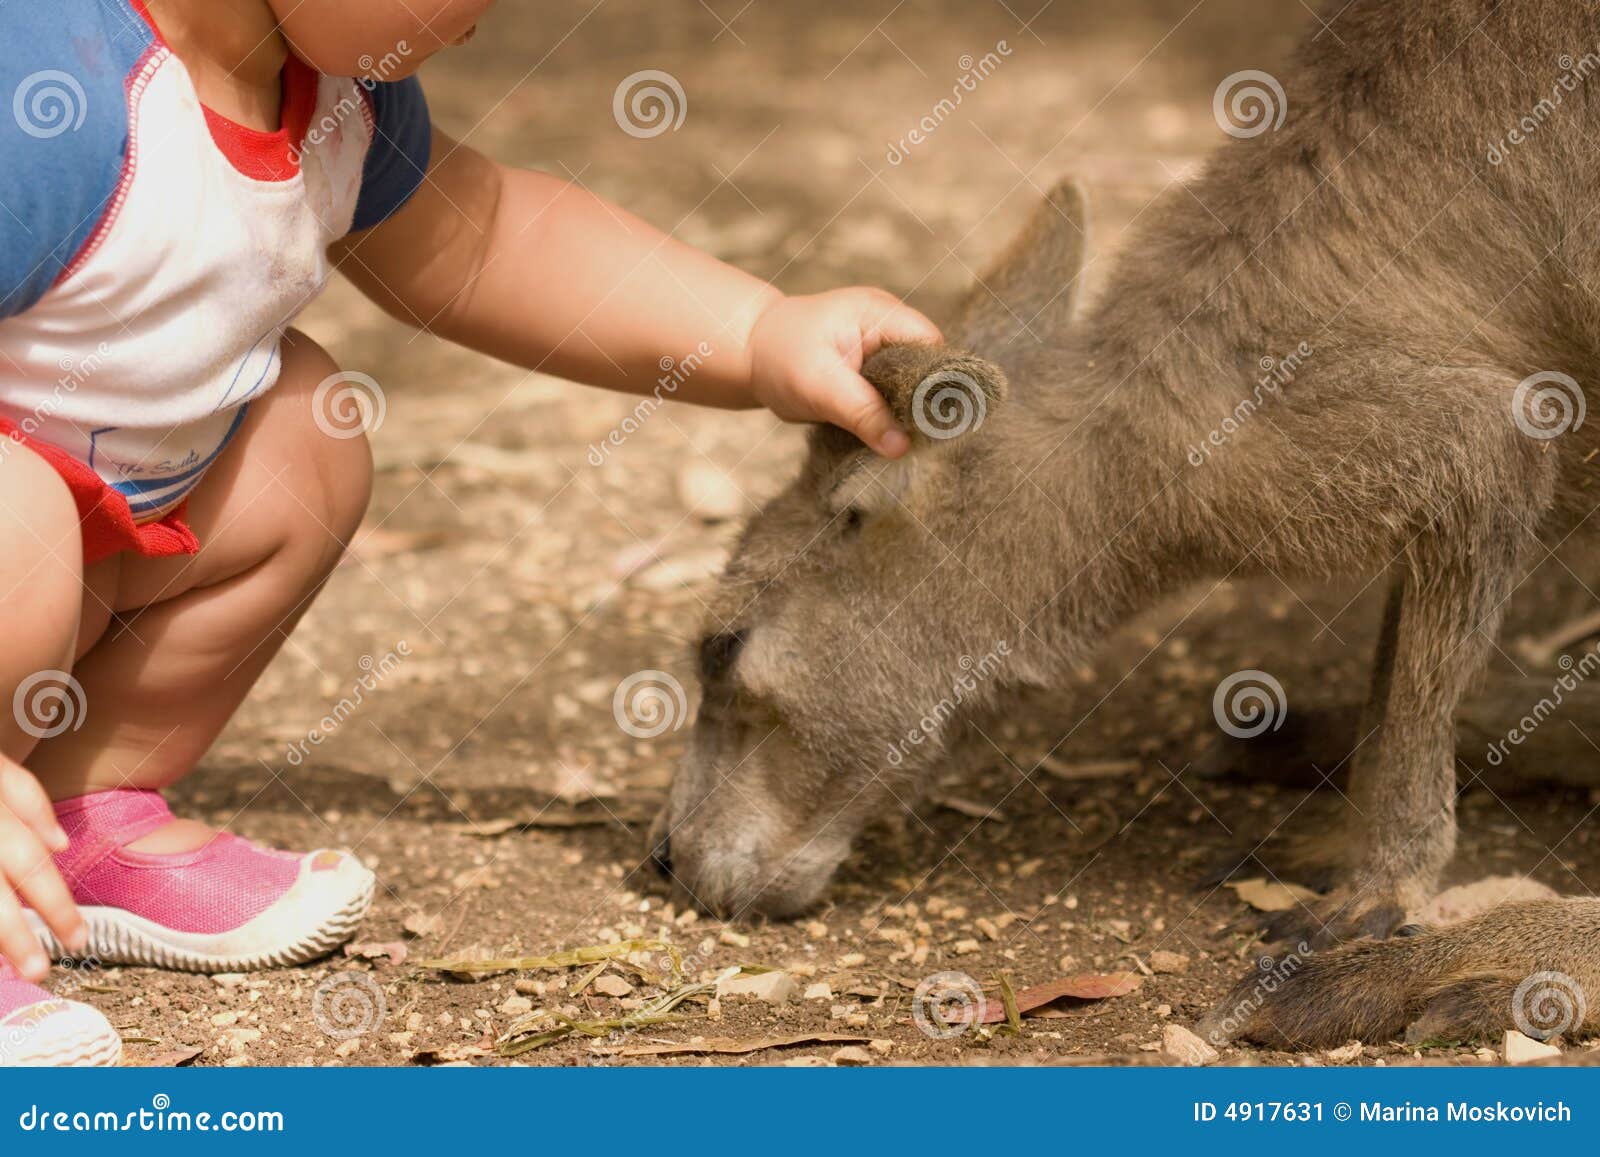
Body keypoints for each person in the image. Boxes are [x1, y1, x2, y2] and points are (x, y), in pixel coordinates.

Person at [0, 0, 940, 1065]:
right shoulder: (51, 98)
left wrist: (760, 333)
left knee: (307, 433)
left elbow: (481, 239)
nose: (480, 23)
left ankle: (76, 814)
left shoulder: (330, 98)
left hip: (77, 573)